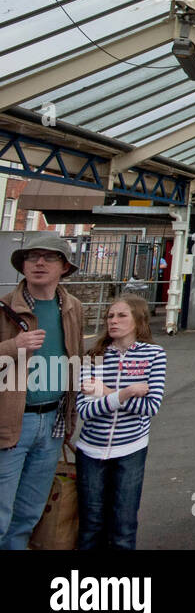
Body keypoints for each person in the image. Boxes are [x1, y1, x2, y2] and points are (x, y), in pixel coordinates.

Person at [0, 232, 85, 549]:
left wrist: (69, 419)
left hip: (52, 423)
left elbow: (74, 361)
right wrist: (13, 346)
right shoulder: (5, 307)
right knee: (0, 515)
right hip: (10, 423)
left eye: (49, 257)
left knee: (29, 513)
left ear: (64, 266)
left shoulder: (72, 307)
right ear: (22, 265)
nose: (38, 262)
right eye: (31, 256)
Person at [75, 295, 166, 549]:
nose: (113, 320)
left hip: (130, 450)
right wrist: (122, 393)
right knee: (90, 525)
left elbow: (150, 407)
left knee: (123, 526)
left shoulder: (154, 355)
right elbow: (84, 410)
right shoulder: (93, 356)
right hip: (91, 451)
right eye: (110, 316)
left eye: (121, 315)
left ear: (138, 320)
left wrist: (104, 392)